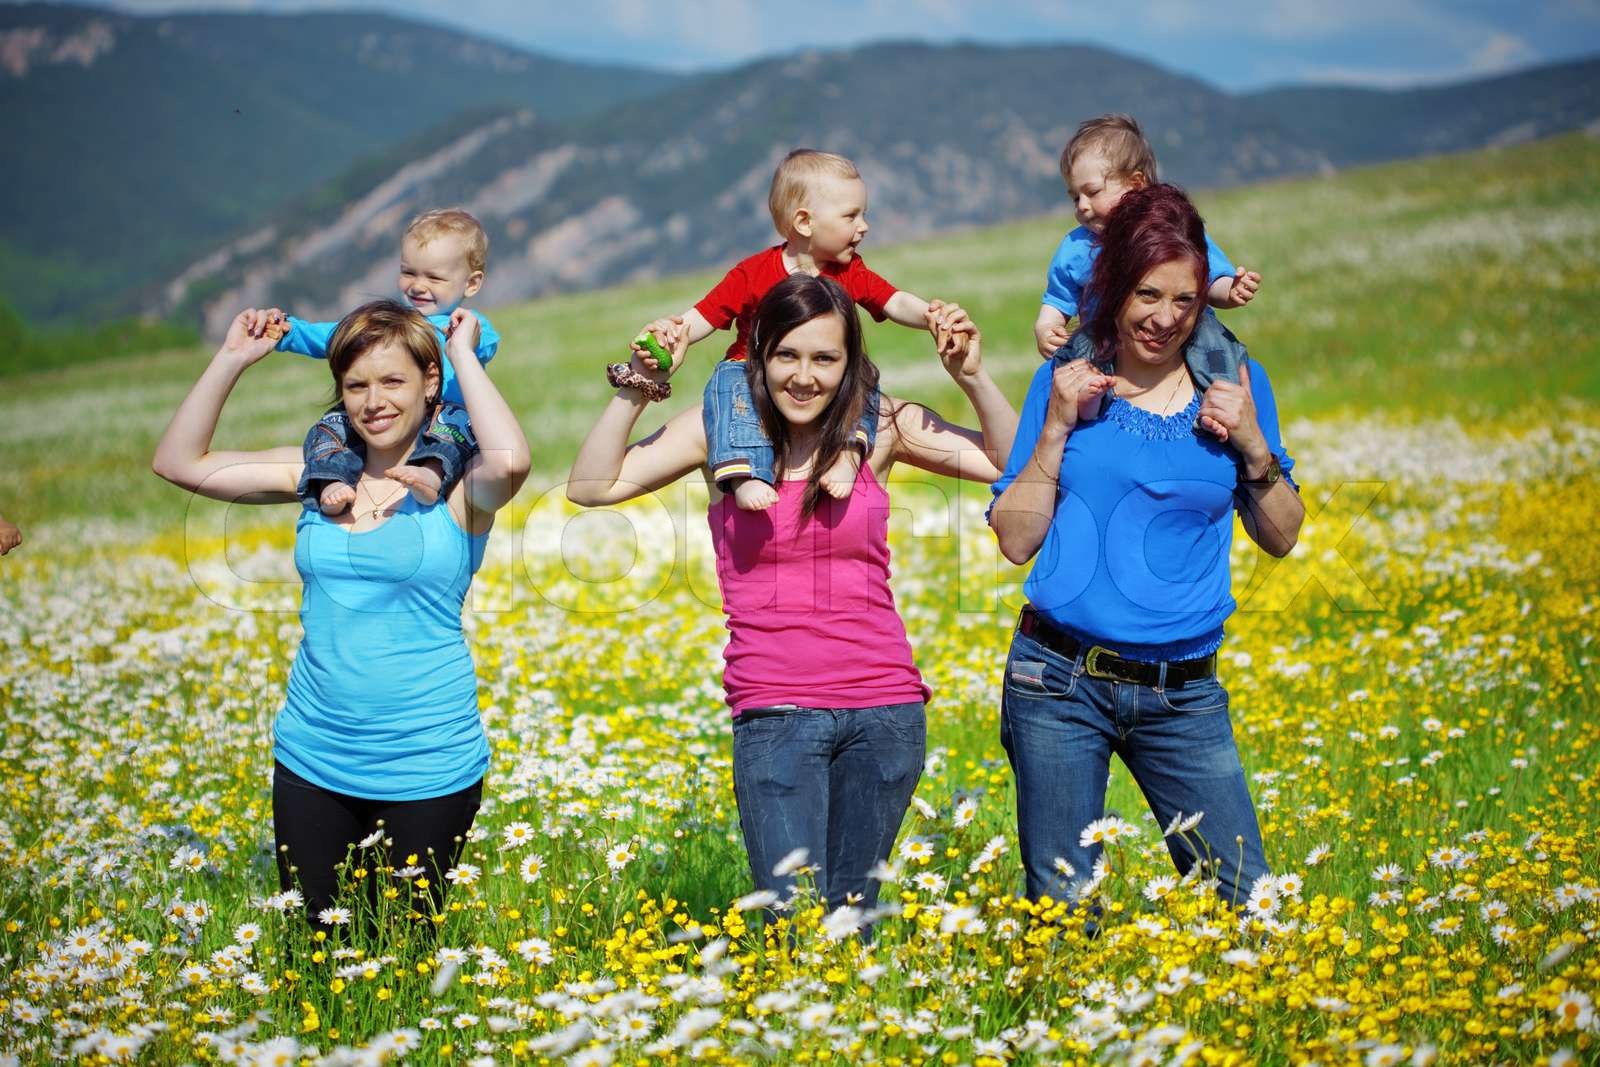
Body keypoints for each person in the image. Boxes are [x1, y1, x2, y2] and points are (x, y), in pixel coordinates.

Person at [572, 274, 1016, 920]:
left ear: (850, 363)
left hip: (884, 711)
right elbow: (590, 487)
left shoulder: (883, 427)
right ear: (759, 353)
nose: (804, 377)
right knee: (793, 921)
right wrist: (636, 387)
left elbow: (1007, 463)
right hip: (774, 711)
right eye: (787, 355)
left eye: (825, 359)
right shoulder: (717, 432)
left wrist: (972, 377)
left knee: (852, 920)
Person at [152, 300, 529, 932]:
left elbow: (512, 461)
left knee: (406, 957)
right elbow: (178, 463)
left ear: (429, 383)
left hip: (428, 764)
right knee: (315, 950)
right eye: (356, 386)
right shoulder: (314, 475)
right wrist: (232, 359)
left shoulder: (461, 490)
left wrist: (462, 355)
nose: (373, 402)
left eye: (393, 381)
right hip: (313, 759)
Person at [990, 183, 1304, 907]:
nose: (1165, 318)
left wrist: (1254, 445)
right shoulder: (1064, 381)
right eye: (1147, 295)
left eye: (1185, 300)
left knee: (1247, 904)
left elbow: (1282, 535)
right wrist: (1056, 427)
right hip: (1058, 684)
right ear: (1113, 287)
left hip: (1185, 694)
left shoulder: (1237, 382)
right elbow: (1014, 538)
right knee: (1066, 914)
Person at [631, 149, 959, 511]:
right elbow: (703, 316)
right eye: (851, 216)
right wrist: (670, 334)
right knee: (730, 395)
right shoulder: (752, 272)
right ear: (804, 222)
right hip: (750, 370)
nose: (864, 226)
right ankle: (745, 474)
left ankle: (849, 451)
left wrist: (931, 316)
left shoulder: (850, 271)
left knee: (863, 375)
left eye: (864, 214)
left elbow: (893, 301)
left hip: (823, 373)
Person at [272, 208, 500, 516]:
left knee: (456, 430)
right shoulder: (389, 326)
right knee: (332, 425)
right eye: (409, 272)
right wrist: (289, 331)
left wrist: (463, 341)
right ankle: (330, 479)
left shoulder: (469, 325)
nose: (418, 285)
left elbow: (486, 343)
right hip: (389, 418)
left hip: (443, 418)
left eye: (434, 277)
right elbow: (333, 335)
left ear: (471, 284)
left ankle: (431, 475)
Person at [1032, 115, 1261, 388]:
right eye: (1075, 197)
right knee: (1071, 360)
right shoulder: (1075, 247)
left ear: (1136, 184)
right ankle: (1089, 402)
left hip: (1185, 329)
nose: (1082, 205)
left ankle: (1222, 395)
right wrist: (1046, 327)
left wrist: (1230, 291)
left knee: (1216, 349)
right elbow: (1058, 299)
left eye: (1092, 192)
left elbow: (1210, 281)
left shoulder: (1173, 232)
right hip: (1102, 336)